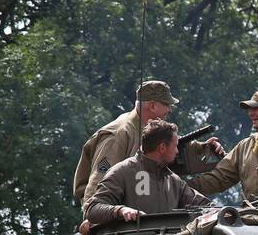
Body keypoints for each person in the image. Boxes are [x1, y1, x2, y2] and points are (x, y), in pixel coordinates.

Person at [72, 80, 221, 204]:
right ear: (152, 105)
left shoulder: (149, 128)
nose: (169, 109)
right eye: (167, 104)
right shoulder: (119, 134)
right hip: (116, 217)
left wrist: (204, 148)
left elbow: (171, 145)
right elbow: (99, 180)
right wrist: (92, 218)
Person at [84, 120, 213, 227]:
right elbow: (93, 209)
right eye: (175, 146)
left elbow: (204, 206)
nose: (177, 152)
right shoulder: (122, 172)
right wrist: (121, 210)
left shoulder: (174, 181)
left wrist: (223, 212)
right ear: (162, 148)